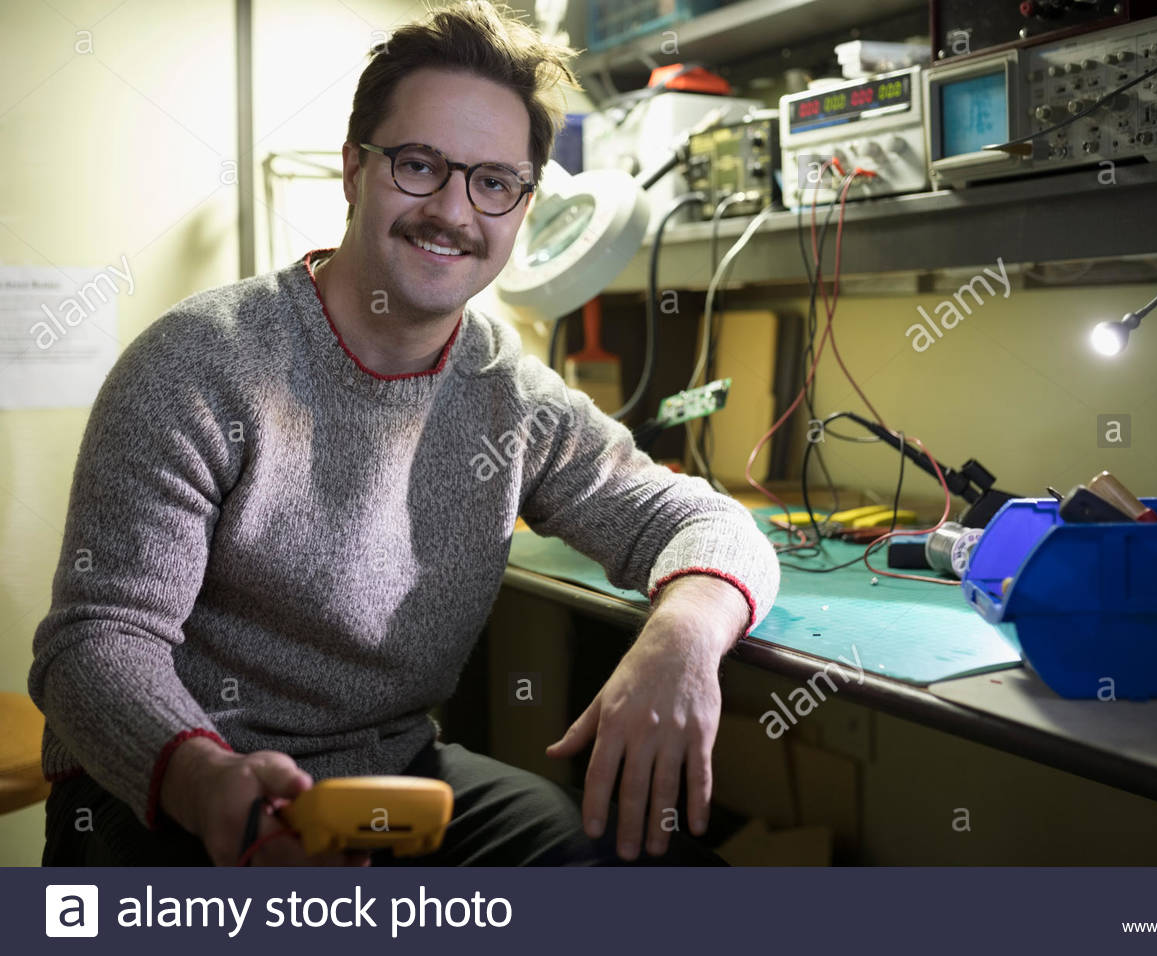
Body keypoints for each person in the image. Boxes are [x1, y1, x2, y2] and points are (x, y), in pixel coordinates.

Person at [29, 1, 779, 867]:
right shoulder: (200, 365)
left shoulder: (512, 397)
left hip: (389, 785)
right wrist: (207, 782)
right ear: (354, 170)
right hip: (161, 792)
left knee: (667, 882)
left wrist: (683, 635)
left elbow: (705, 521)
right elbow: (94, 644)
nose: (454, 212)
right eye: (420, 165)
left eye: (495, 182)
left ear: (523, 203)